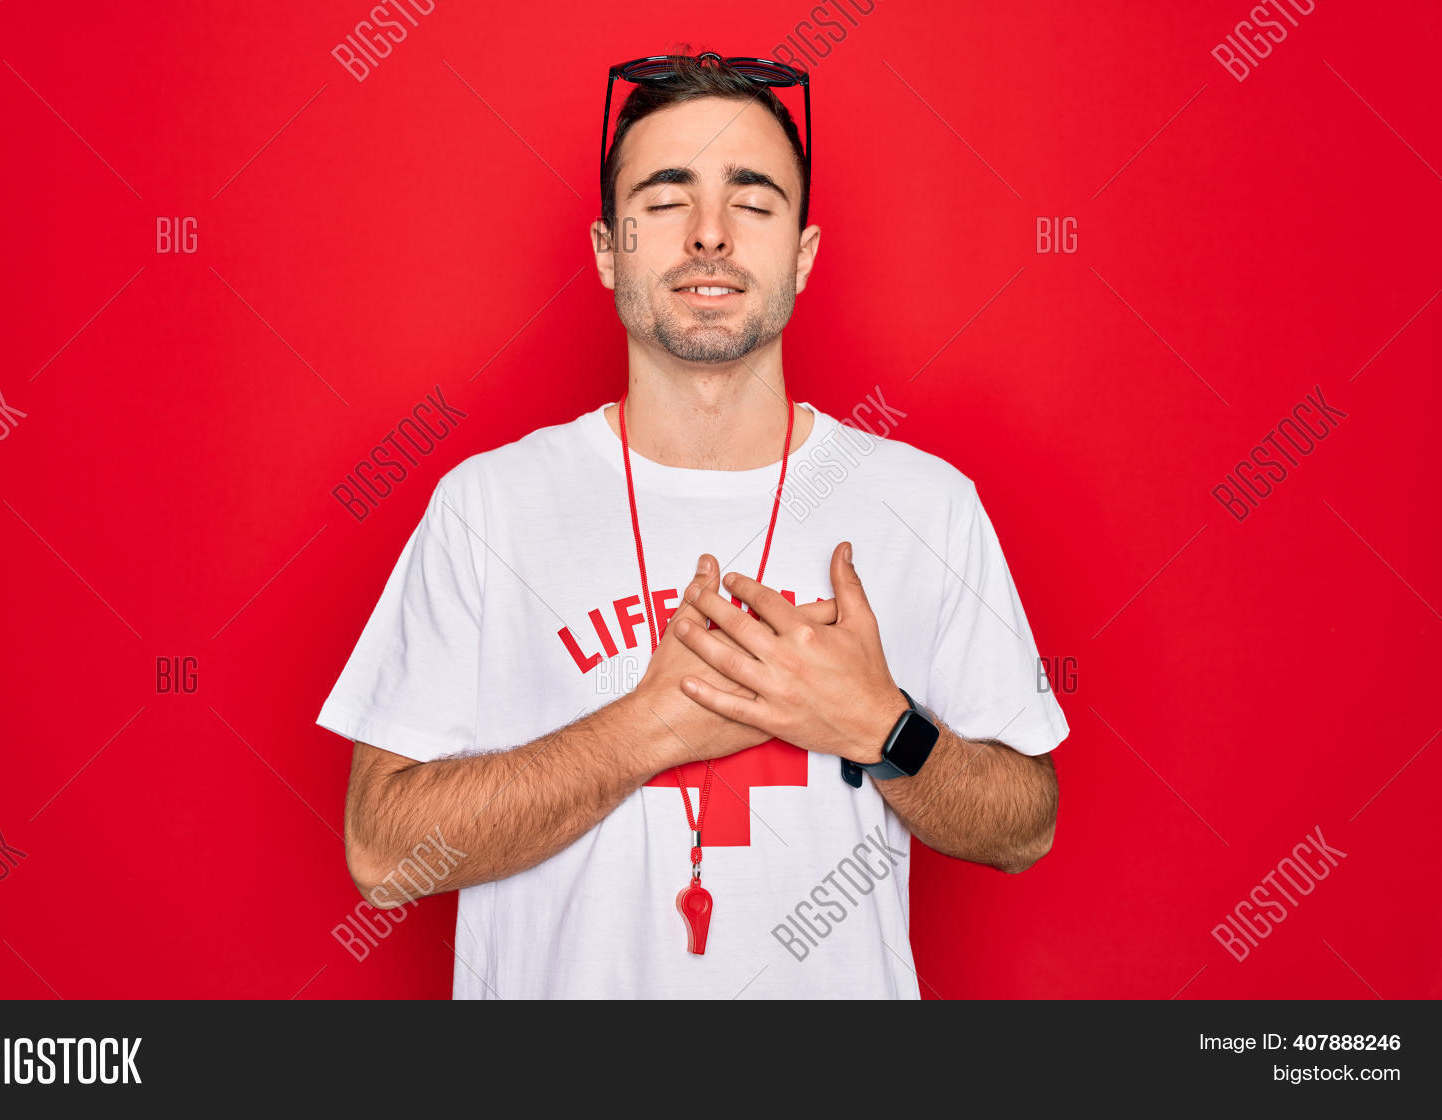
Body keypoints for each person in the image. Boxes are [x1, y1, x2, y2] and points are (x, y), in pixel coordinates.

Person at [317, 51, 1067, 999]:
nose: (710, 235)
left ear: (802, 252)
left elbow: (1025, 826)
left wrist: (884, 728)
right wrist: (648, 728)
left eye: (753, 204)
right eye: (666, 202)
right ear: (607, 248)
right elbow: (382, 854)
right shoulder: (488, 508)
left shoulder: (925, 505)